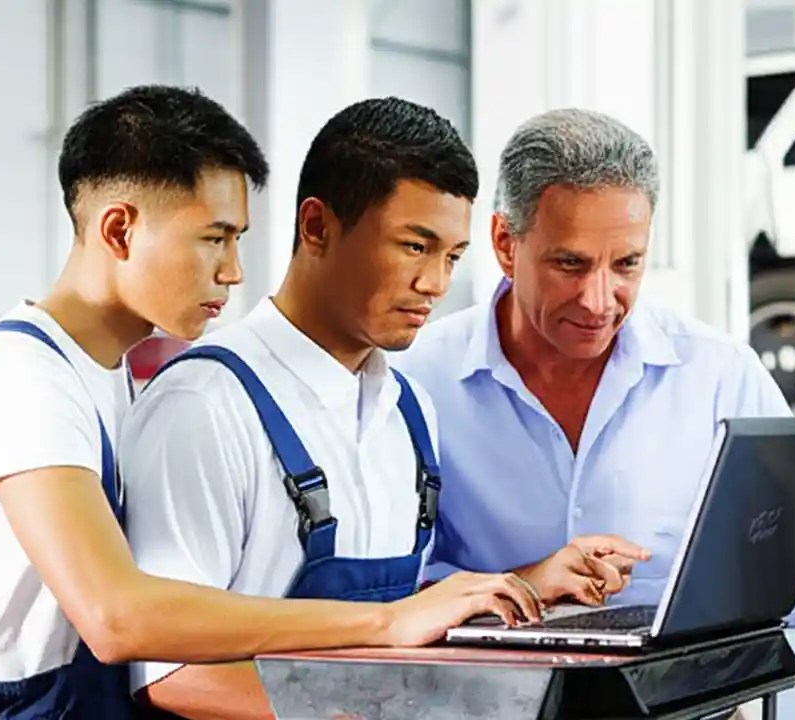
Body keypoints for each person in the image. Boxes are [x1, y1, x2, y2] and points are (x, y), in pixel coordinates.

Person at [0, 87, 533, 720]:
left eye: (237, 239)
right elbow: (117, 617)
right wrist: (388, 621)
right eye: (213, 239)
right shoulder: (20, 376)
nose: (233, 272)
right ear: (119, 229)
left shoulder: (103, 377)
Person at [118, 97, 544, 719]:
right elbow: (170, 674)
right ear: (316, 227)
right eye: (413, 246)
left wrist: (526, 587)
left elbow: (392, 622)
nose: (435, 284)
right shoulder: (204, 406)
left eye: (450, 256)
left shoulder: (411, 411)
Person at [392, 108, 795, 624]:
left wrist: (723, 570)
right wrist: (524, 583)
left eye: (626, 264)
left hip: (685, 699)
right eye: (570, 264)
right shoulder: (414, 381)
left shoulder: (719, 375)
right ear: (506, 244)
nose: (598, 301)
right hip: (490, 698)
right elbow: (385, 592)